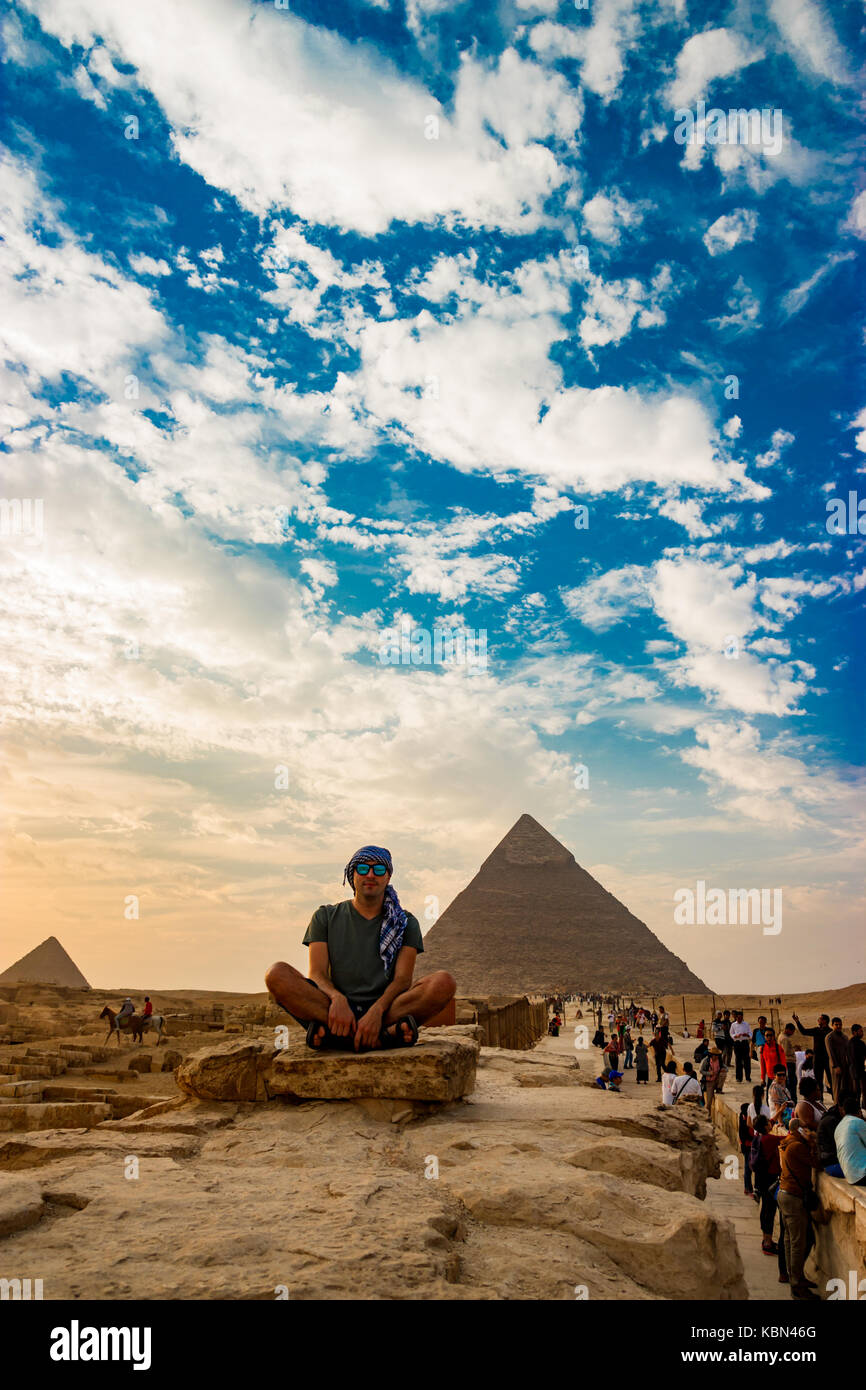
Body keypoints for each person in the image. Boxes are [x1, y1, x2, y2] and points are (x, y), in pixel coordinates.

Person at [264, 843, 455, 1051]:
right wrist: (337, 999)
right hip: (334, 1007)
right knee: (276, 974)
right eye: (363, 868)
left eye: (379, 869)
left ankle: (340, 1037)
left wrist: (377, 1011)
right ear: (351, 874)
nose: (371, 874)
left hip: (387, 1009)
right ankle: (382, 1037)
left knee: (443, 983)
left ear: (388, 877)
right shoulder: (325, 917)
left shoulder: (405, 922)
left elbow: (402, 980)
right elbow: (317, 973)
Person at [778, 1118, 821, 1300]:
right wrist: (813, 1142)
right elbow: (817, 1163)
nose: (807, 1129)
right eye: (805, 1127)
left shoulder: (788, 1142)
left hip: (785, 1194)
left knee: (790, 1240)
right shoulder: (797, 1146)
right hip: (793, 1197)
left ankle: (796, 1277)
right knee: (798, 1242)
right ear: (799, 1130)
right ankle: (797, 1284)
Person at [749, 1114, 782, 1255]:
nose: (771, 1123)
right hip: (770, 1179)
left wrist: (780, 1111)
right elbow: (787, 1139)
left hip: (760, 1179)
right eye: (768, 1122)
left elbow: (771, 1122)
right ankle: (768, 1243)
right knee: (770, 1210)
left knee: (765, 1209)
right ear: (765, 1126)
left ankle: (765, 1239)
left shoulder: (758, 1137)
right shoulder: (769, 1140)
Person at [792, 1011, 832, 1098]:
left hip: (827, 1059)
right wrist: (797, 1022)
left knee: (831, 1080)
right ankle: (820, 1099)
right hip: (817, 1059)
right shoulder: (816, 1030)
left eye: (820, 1019)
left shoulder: (830, 1032)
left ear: (825, 1021)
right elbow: (804, 1031)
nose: (818, 1020)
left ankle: (835, 1099)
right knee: (818, 1081)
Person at [816, 1092, 852, 1178]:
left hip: (835, 1160)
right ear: (841, 1108)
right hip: (832, 1164)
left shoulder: (835, 1115)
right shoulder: (831, 1120)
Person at [833, 1095, 866, 1185]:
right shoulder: (858, 1122)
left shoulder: (839, 1126)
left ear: (844, 1112)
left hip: (851, 1176)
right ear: (859, 1111)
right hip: (862, 1174)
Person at [825, 1018, 850, 1103]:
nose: (839, 1026)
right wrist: (835, 1066)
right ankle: (837, 1106)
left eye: (840, 1024)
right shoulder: (829, 1037)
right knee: (837, 1087)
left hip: (846, 1066)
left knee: (846, 1087)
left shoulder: (845, 1037)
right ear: (832, 1025)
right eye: (836, 1025)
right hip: (836, 1067)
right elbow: (830, 1053)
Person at [700, 1044, 726, 1113]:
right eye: (715, 1055)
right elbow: (701, 1071)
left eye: (717, 1055)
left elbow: (726, 1068)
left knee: (723, 1074)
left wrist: (723, 1069)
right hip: (709, 1082)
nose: (716, 1056)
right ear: (712, 1055)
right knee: (709, 1103)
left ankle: (719, 1089)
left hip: (716, 1079)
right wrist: (709, 1073)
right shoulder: (706, 1061)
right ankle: (707, 1115)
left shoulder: (719, 1060)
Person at [730, 1009, 752, 1083]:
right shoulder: (733, 1025)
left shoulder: (746, 1024)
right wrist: (735, 1036)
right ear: (736, 1018)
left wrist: (747, 1035)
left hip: (745, 1043)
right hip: (737, 1043)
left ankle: (748, 1077)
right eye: (738, 1018)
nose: (739, 1019)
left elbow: (750, 1033)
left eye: (740, 1018)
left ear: (742, 1017)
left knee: (747, 1061)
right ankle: (738, 1078)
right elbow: (731, 1033)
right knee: (738, 1061)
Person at [848, 1023, 866, 1108]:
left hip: (861, 1069)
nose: (862, 1033)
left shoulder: (861, 1043)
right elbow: (853, 1058)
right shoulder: (852, 1043)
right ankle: (857, 1108)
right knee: (857, 1091)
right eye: (861, 1031)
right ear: (855, 1032)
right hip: (855, 1070)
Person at [739, 1104, 755, 1196]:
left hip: (746, 1146)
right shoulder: (744, 1119)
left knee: (748, 1167)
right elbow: (744, 1134)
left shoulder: (742, 1116)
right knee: (747, 1168)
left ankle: (748, 1188)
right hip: (747, 1146)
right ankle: (748, 1189)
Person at [780, 1024, 799, 1098]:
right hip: (789, 1061)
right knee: (791, 1082)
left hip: (788, 1061)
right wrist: (794, 1050)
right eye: (792, 1031)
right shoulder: (785, 1038)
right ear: (788, 1030)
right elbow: (786, 1051)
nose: (793, 1033)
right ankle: (792, 1098)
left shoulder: (783, 1037)